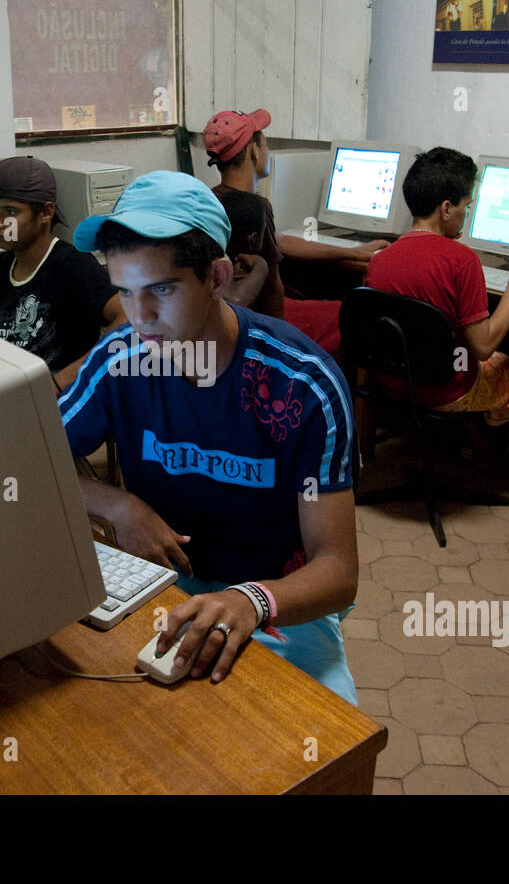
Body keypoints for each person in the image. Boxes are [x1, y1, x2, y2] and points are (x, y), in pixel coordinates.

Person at [59, 171, 359, 702]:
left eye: (162, 290)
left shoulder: (301, 384)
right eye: (124, 293)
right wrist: (118, 506)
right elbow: (31, 462)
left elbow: (337, 569)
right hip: (159, 585)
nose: (139, 318)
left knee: (324, 746)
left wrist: (250, 601)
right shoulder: (120, 361)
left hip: (278, 599)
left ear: (218, 276)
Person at [364, 147, 509, 427]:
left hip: (391, 381)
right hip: (447, 390)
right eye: (467, 206)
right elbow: (483, 347)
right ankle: (485, 444)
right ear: (447, 209)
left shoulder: (379, 260)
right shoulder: (462, 260)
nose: (468, 214)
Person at [0, 156, 126, 392]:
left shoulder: (73, 267)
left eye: (10, 211)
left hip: (47, 402)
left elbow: (129, 319)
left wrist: (60, 383)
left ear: (45, 212)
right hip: (2, 393)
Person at [204, 109, 388, 314]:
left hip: (228, 314)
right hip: (257, 319)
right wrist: (282, 339)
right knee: (347, 312)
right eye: (265, 144)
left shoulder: (213, 198)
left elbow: (279, 241)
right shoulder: (257, 207)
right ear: (253, 151)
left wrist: (353, 252)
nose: (267, 152)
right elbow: (273, 288)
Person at [216, 186, 342, 356]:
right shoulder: (222, 259)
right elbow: (236, 300)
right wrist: (262, 265)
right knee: (341, 312)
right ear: (253, 240)